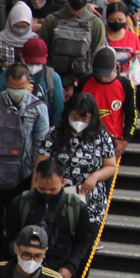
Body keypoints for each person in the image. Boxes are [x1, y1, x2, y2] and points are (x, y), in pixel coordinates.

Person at [0, 62, 49, 260]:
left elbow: (41, 144)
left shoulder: (38, 108)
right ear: (6, 82)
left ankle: (15, 257)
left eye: (21, 88)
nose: (16, 92)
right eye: (13, 87)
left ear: (29, 84)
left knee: (19, 219)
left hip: (23, 175)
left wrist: (34, 170)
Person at [2, 161, 98, 278]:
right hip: (24, 269)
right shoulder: (21, 203)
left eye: (53, 190)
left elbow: (83, 241)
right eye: (42, 189)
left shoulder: (76, 207)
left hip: (59, 272)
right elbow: (9, 238)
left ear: (63, 182)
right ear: (35, 180)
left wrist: (70, 267)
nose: (47, 193)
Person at [38, 93, 117, 226]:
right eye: (75, 116)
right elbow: (40, 166)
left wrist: (95, 176)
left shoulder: (101, 135)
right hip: (57, 198)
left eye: (84, 117)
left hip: (89, 199)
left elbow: (111, 166)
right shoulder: (54, 133)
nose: (79, 121)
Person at [37, 0, 107, 98]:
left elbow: (96, 57)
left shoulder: (96, 24)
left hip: (83, 86)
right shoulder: (52, 20)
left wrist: (78, 85)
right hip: (53, 83)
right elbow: (43, 53)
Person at [78, 46, 136, 157]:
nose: (103, 77)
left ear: (115, 66)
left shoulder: (126, 85)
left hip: (112, 141)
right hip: (85, 138)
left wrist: (125, 140)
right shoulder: (83, 82)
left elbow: (132, 115)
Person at [21, 38, 65, 126]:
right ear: (21, 57)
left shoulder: (53, 78)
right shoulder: (10, 73)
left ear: (46, 58)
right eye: (30, 63)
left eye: (37, 64)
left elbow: (58, 111)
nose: (33, 67)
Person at [104, 3, 140, 88]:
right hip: (105, 81)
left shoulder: (133, 37)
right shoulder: (101, 34)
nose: (116, 23)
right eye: (112, 20)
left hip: (127, 84)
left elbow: (139, 61)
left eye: (120, 20)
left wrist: (139, 57)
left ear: (126, 19)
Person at [0, 0, 34, 70]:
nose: (20, 30)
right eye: (16, 26)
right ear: (10, 23)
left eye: (24, 27)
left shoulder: (35, 41)